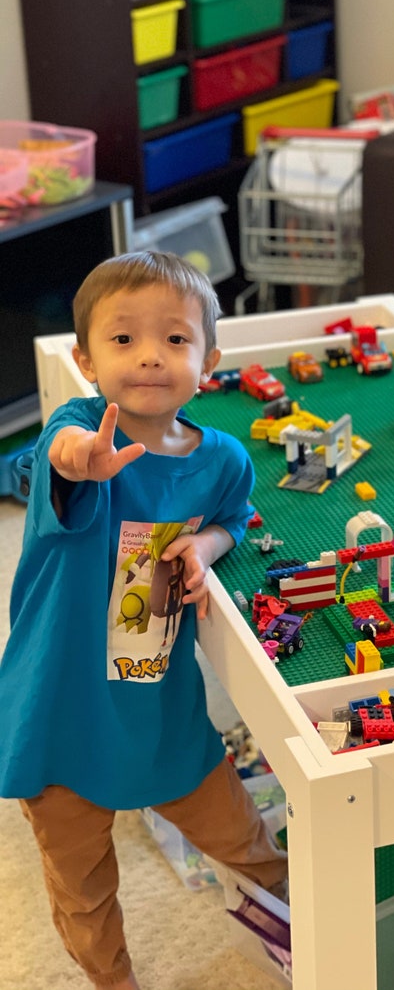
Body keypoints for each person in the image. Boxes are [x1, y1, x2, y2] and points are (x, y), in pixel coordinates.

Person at [0, 252, 287, 989]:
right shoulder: (76, 427)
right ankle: (113, 978)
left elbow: (234, 518)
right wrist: (84, 459)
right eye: (123, 339)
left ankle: (306, 906)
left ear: (210, 360)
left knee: (243, 835)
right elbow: (63, 453)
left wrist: (209, 542)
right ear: (85, 358)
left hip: (159, 703)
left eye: (175, 339)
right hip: (60, 711)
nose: (150, 355)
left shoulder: (223, 457)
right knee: (82, 882)